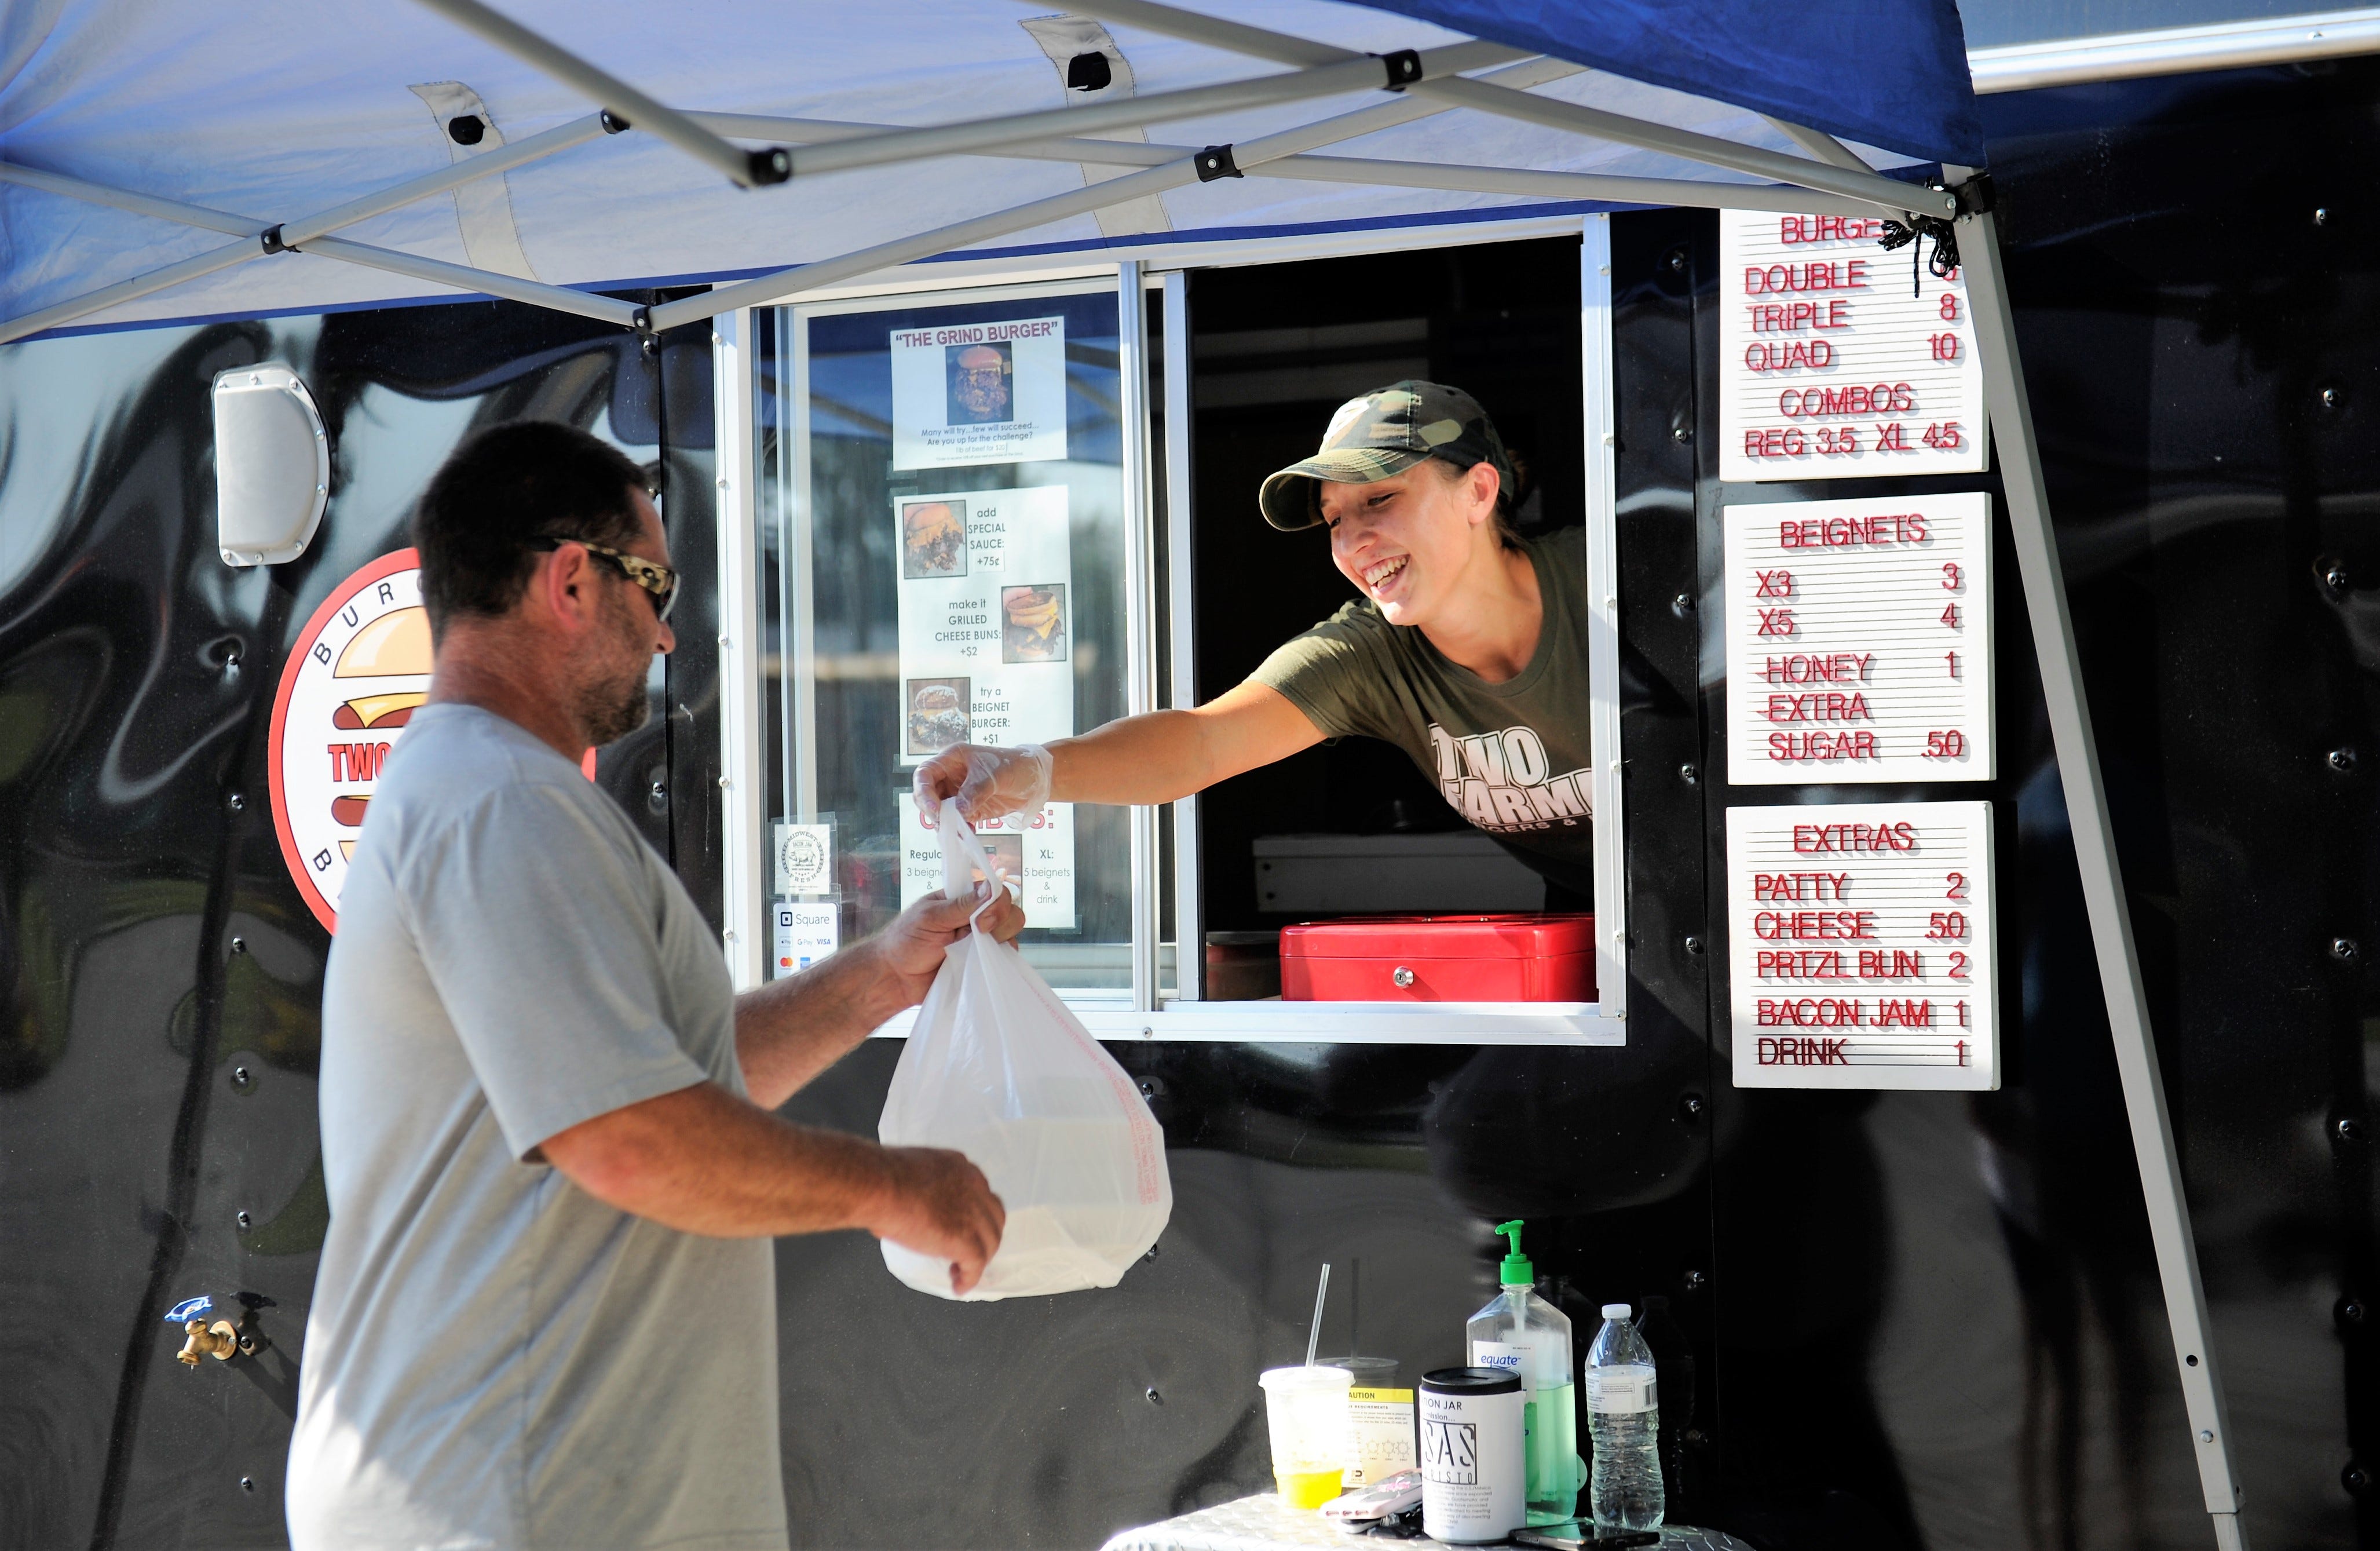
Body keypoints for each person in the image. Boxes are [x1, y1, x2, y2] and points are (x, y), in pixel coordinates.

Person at [287, 421, 1016, 1551]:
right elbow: (628, 1138)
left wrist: (883, 976)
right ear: (571, 580)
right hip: (507, 1506)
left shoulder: (493, 792)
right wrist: (892, 1187)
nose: (668, 631)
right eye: (654, 585)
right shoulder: (500, 805)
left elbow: (663, 1078)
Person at [917, 380, 1596, 903]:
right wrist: (1026, 770)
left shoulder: (1612, 581)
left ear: (1477, 491)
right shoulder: (1369, 654)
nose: (1353, 542)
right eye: (1334, 519)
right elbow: (1200, 741)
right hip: (1597, 932)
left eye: (1378, 500)